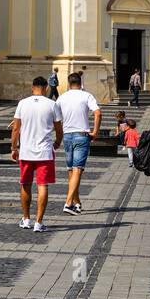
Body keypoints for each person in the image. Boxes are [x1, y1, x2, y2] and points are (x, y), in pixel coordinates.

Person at [12, 76, 63, 232]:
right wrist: (57, 143)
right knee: (42, 185)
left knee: (25, 184)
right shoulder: (52, 104)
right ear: (46, 87)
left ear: (32, 87)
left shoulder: (22, 103)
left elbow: (16, 128)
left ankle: (26, 219)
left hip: (26, 151)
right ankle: (39, 223)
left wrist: (14, 147)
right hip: (45, 152)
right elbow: (59, 129)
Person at [58, 71, 101, 214]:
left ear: (69, 83)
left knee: (71, 170)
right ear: (80, 83)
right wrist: (95, 132)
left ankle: (77, 203)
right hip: (81, 135)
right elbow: (97, 112)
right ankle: (68, 203)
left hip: (67, 135)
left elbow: (54, 117)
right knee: (78, 169)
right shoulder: (86, 95)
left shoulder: (62, 97)